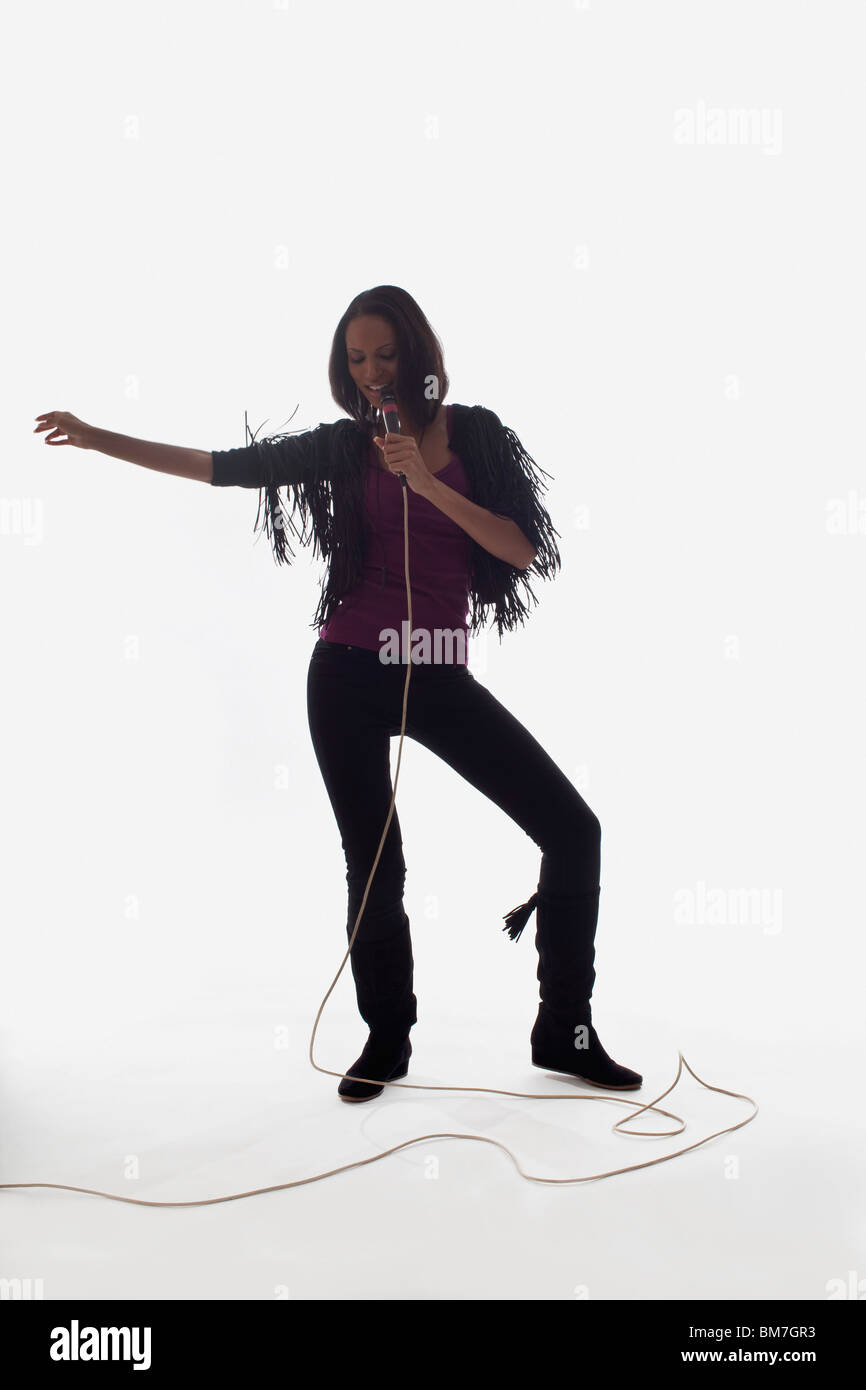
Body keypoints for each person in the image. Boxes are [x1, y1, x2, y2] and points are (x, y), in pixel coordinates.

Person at [34, 284, 642, 1104]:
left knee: (574, 829)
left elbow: (521, 549)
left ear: (418, 357)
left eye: (385, 355)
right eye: (356, 360)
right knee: (375, 864)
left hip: (437, 672)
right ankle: (386, 1036)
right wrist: (97, 437)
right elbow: (223, 469)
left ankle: (564, 1032)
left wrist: (426, 485)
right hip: (348, 675)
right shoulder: (341, 447)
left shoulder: (477, 435)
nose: (372, 374)